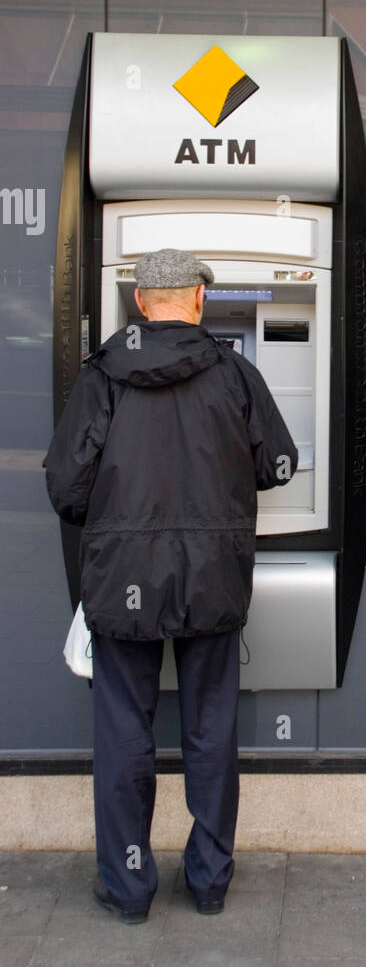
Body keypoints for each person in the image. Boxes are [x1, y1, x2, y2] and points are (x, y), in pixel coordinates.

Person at [42, 248, 298, 924]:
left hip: (121, 580)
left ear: (138, 306)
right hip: (212, 580)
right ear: (198, 301)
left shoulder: (102, 379)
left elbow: (65, 486)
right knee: (210, 728)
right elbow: (280, 464)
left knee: (125, 730)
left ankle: (128, 890)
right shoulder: (235, 374)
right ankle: (209, 881)